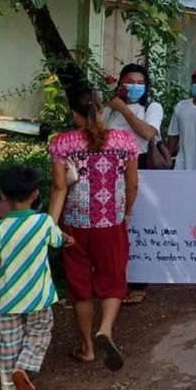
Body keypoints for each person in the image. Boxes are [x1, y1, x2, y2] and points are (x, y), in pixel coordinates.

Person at [47, 83, 139, 371]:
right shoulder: (125, 141)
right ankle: (105, 331)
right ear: (101, 110)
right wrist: (125, 212)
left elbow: (59, 187)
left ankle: (87, 348)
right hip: (110, 222)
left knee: (80, 286)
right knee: (113, 279)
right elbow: (132, 184)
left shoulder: (62, 143)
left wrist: (50, 226)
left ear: (74, 113)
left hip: (74, 225)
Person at [0, 166, 65, 390]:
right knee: (39, 333)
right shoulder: (44, 223)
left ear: (2, 196)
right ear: (35, 194)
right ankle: (24, 366)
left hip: (7, 299)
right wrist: (66, 239)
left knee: (7, 343)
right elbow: (58, 240)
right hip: (38, 296)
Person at [102, 63, 164, 305]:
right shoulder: (109, 109)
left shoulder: (151, 107)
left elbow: (149, 133)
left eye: (141, 82)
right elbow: (96, 132)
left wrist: (125, 111)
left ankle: (137, 281)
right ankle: (111, 278)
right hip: (107, 168)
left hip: (139, 165)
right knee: (111, 223)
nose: (135, 86)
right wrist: (108, 107)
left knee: (137, 222)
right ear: (120, 83)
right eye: (130, 81)